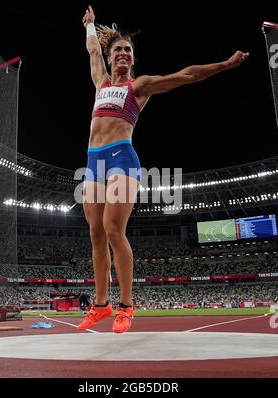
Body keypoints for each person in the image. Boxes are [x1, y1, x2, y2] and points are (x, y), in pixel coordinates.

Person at [77, 5, 249, 334]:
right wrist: (89, 25)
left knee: (113, 230)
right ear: (111, 58)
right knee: (96, 234)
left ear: (133, 59)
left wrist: (225, 65)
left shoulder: (138, 86)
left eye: (128, 50)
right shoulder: (100, 84)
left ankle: (126, 306)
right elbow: (91, 50)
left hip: (121, 158)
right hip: (93, 160)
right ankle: (101, 305)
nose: (123, 53)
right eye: (118, 50)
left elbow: (185, 76)